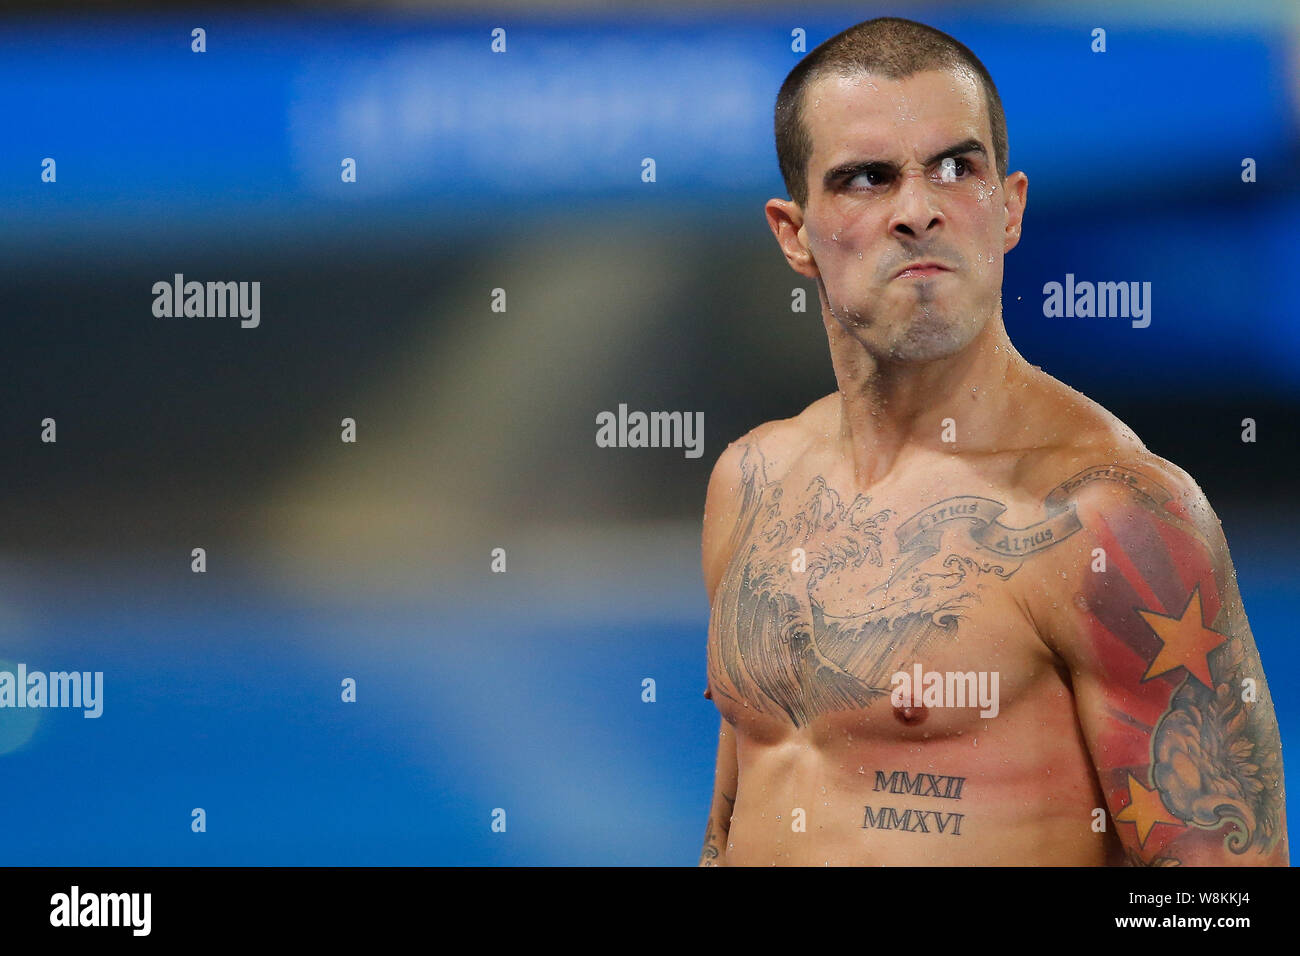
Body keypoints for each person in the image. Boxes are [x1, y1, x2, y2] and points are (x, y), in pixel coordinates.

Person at [698, 16, 1287, 866]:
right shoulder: (751, 481)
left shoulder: (1110, 519)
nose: (919, 210)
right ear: (794, 234)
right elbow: (732, 820)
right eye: (867, 178)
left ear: (1007, 209)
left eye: (955, 168)